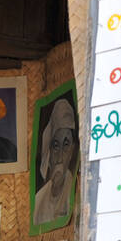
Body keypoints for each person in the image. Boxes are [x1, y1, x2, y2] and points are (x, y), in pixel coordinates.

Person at [33, 97, 77, 226]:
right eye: (56, 146)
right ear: (49, 151)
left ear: (72, 151)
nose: (60, 157)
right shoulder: (39, 200)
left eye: (66, 145)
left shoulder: (72, 193)